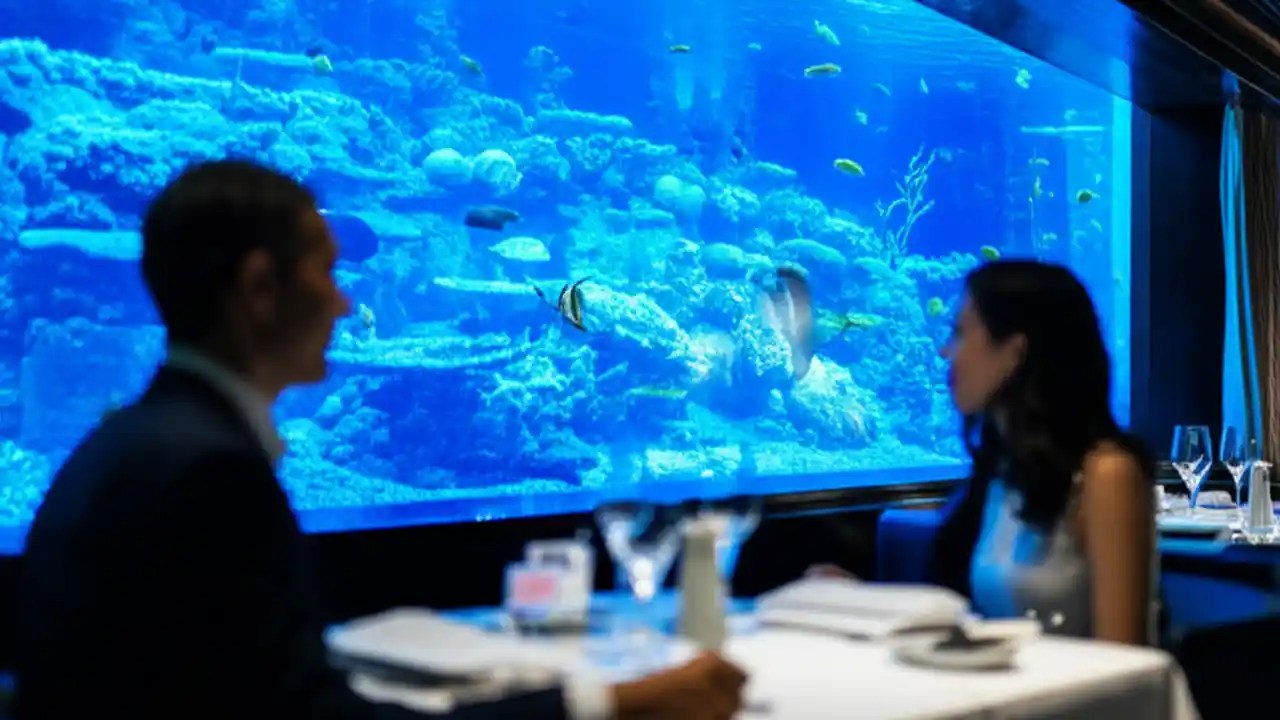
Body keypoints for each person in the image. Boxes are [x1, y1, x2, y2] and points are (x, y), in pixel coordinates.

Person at [12, 159, 747, 719]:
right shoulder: (210, 478)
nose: (343, 302)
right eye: (325, 272)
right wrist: (612, 704)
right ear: (260, 288)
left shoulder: (125, 449)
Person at [928, 260, 1155, 645]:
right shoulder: (1002, 469)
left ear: (1014, 352)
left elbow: (1125, 655)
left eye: (960, 333)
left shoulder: (1107, 473)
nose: (946, 352)